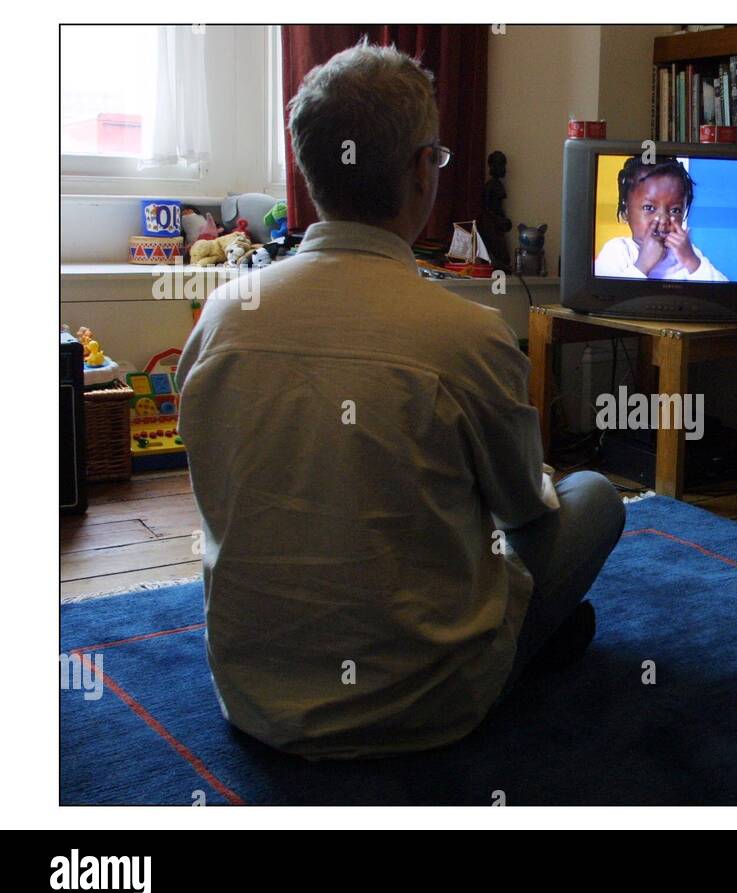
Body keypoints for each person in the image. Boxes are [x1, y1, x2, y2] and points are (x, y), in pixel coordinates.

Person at [176, 42, 624, 759]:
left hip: (255, 698)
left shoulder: (223, 316)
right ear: (423, 168)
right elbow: (524, 516)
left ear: (308, 167)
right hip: (429, 704)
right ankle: (520, 646)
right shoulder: (469, 333)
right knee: (594, 494)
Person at [593, 156, 728, 281]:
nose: (663, 219)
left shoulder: (687, 253)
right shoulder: (618, 251)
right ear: (626, 212)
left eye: (675, 210)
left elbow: (722, 296)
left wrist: (691, 261)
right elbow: (605, 298)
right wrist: (642, 264)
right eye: (649, 208)